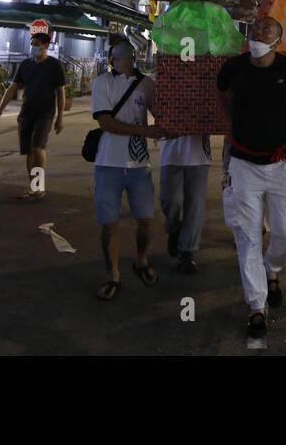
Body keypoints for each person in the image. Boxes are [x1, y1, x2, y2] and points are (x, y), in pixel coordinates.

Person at [217, 16, 286, 344]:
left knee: (285, 233)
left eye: (266, 30)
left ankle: (272, 270)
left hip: (280, 163)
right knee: (247, 236)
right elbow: (223, 93)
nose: (258, 33)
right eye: (255, 29)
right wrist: (234, 121)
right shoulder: (234, 68)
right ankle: (257, 307)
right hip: (243, 165)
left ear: (278, 40)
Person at [91, 41, 162, 298]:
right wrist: (145, 131)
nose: (122, 60)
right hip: (108, 163)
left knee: (145, 220)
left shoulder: (147, 84)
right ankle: (113, 275)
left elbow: (161, 113)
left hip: (139, 165)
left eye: (127, 56)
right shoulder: (102, 84)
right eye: (119, 57)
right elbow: (106, 122)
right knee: (109, 224)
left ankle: (141, 261)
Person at [0, 31, 66, 201]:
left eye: (37, 44)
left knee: (37, 147)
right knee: (28, 151)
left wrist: (60, 117)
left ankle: (39, 188)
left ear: (46, 46)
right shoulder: (25, 65)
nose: (33, 47)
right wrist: (0, 109)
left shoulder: (54, 65)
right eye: (32, 43)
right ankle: (33, 187)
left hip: (45, 113)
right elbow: (13, 87)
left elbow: (60, 92)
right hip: (26, 113)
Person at [159, 93, 213, 276]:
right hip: (171, 154)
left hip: (198, 155)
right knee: (170, 200)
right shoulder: (167, 86)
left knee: (195, 207)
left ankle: (187, 253)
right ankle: (174, 228)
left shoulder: (206, 87)